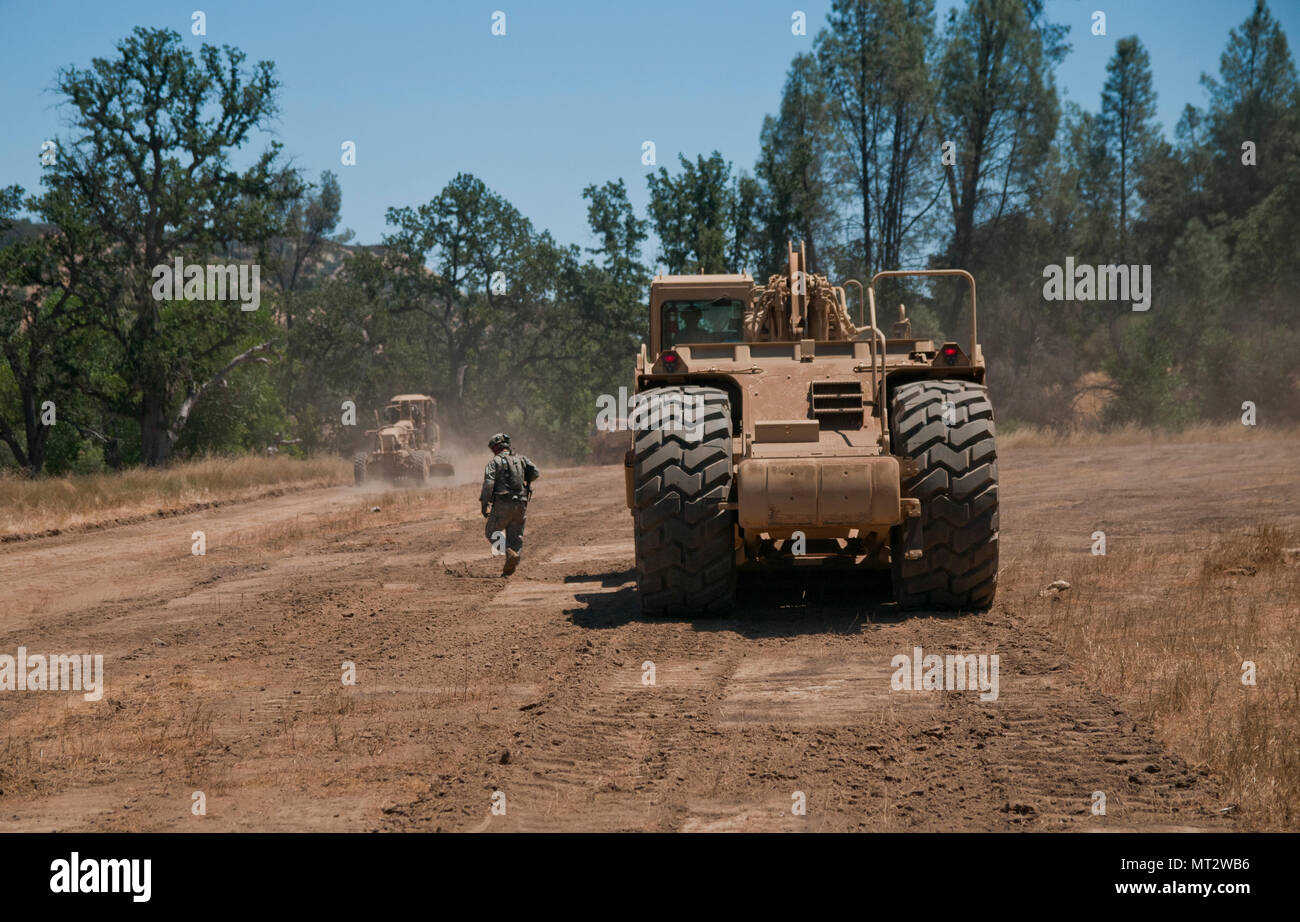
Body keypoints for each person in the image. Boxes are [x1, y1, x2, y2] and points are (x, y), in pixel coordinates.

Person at [480, 433, 540, 576]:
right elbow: (536, 473)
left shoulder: (494, 462)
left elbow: (489, 484)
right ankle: (511, 564)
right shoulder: (521, 459)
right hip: (521, 504)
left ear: (496, 447)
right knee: (516, 536)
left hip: (503, 504)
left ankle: (508, 553)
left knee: (491, 531)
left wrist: (484, 503)